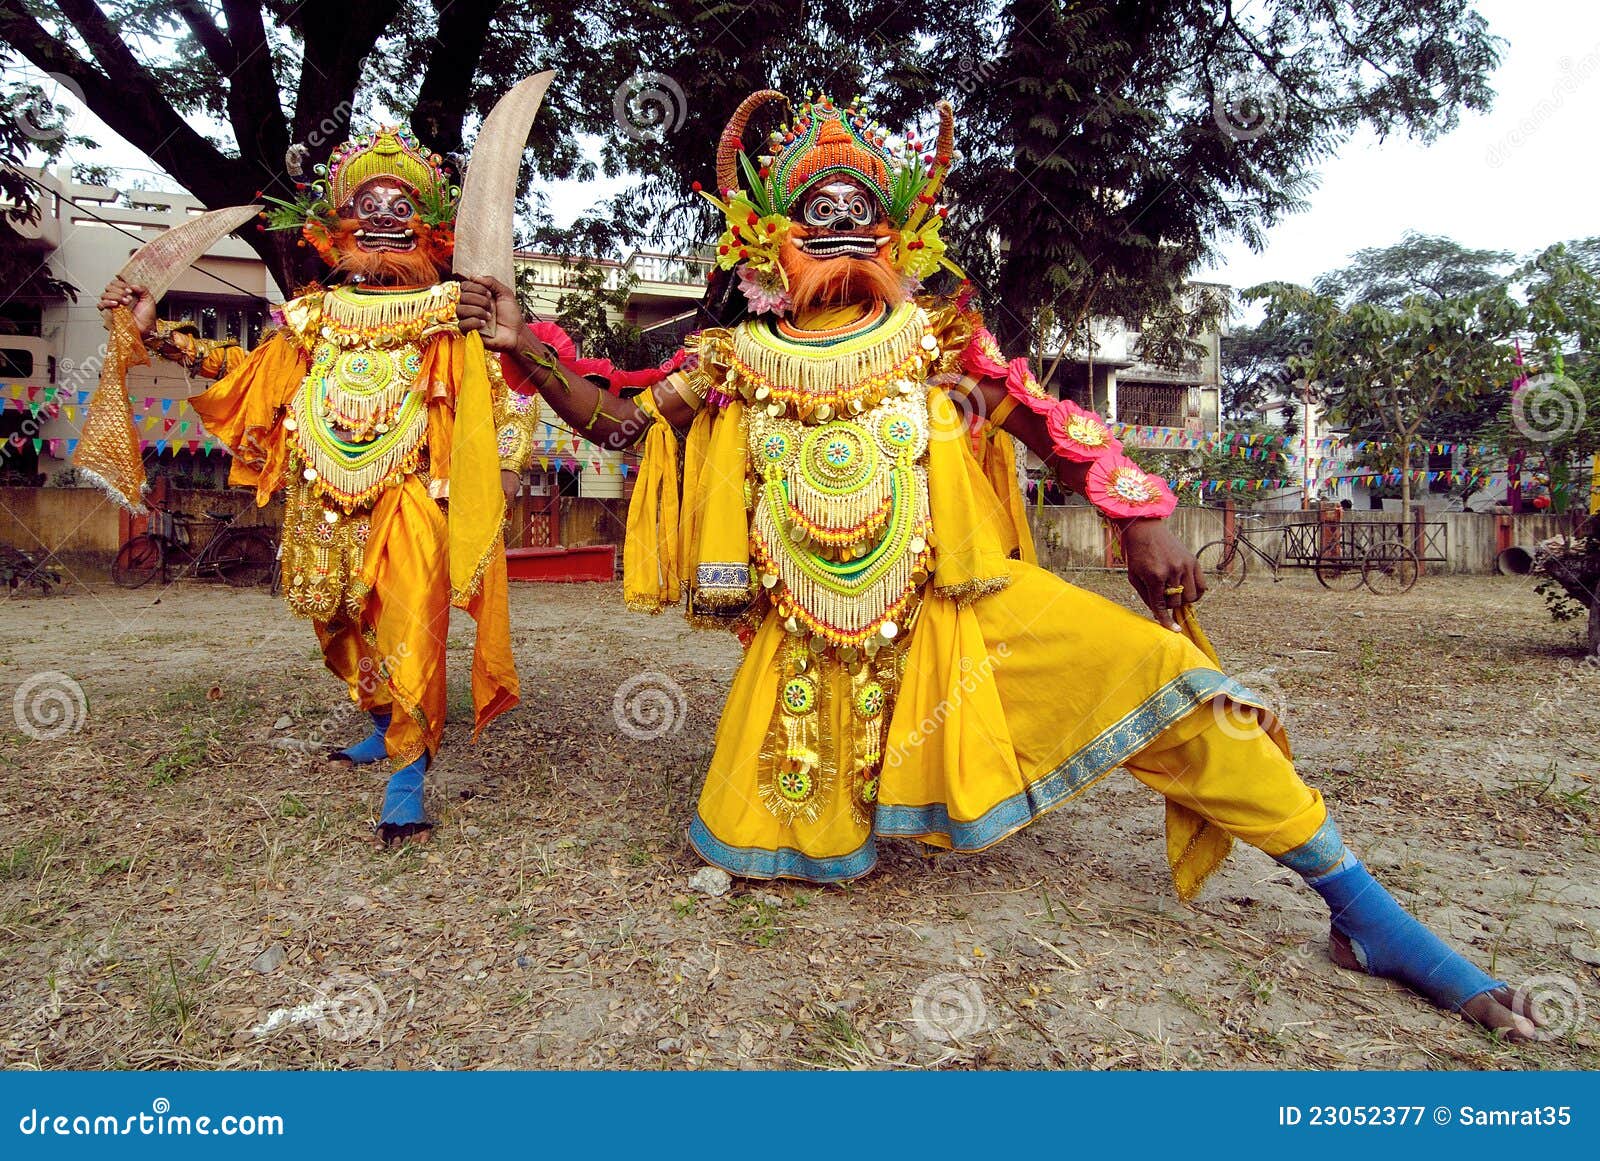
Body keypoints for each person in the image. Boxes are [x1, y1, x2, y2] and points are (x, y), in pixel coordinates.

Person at [457, 90, 1543, 1037]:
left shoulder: (938, 341)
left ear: (899, 232)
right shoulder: (734, 365)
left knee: (1177, 695)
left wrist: (1140, 510)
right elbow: (623, 424)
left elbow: (1052, 420)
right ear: (768, 237)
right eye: (815, 213)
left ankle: (1368, 917)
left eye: (859, 213)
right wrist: (522, 349)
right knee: (796, 838)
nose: (840, 229)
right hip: (800, 646)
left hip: (958, 609)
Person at [99, 126, 542, 846]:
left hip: (409, 497)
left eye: (403, 204)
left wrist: (504, 477)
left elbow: (504, 402)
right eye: (368, 201)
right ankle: (377, 722)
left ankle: (408, 768)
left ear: (429, 226)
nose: (385, 215)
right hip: (322, 496)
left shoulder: (450, 314)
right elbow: (244, 372)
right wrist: (158, 335)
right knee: (337, 622)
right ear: (341, 219)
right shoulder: (314, 316)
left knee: (409, 631)